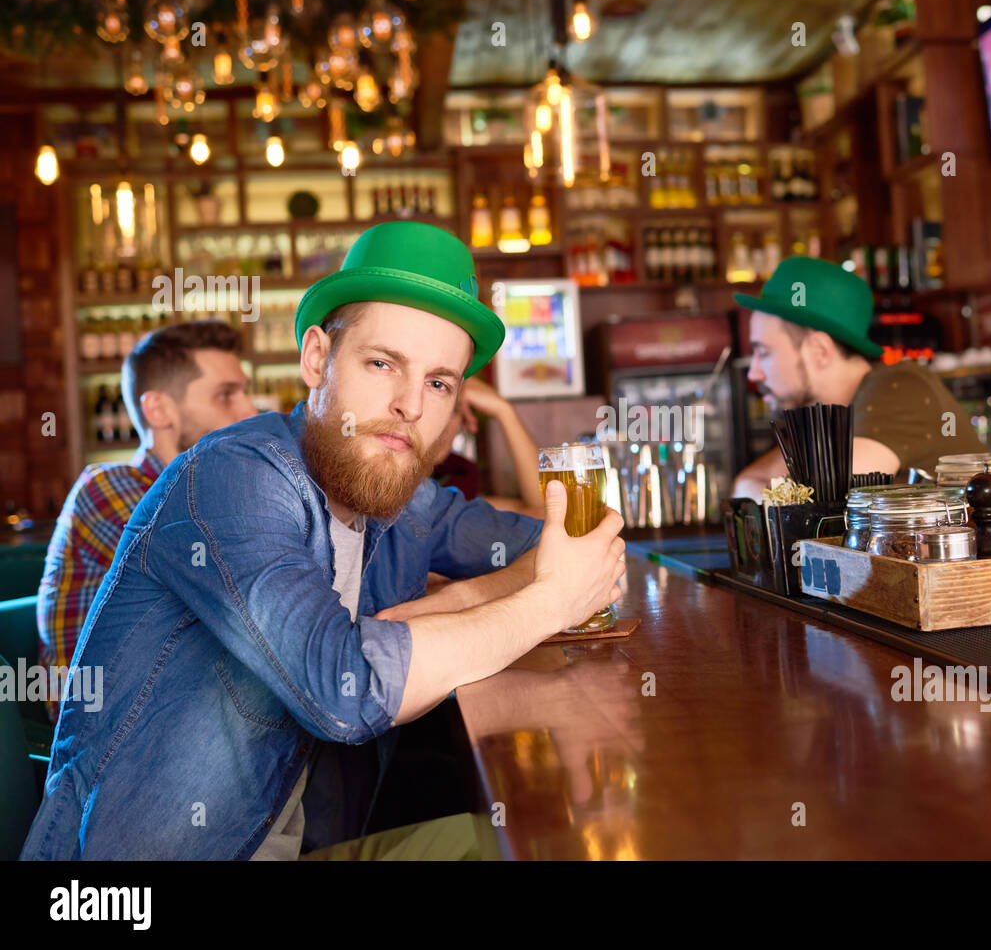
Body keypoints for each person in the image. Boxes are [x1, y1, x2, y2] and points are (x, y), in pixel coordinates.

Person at [21, 221, 625, 861]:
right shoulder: (237, 477)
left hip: (309, 844)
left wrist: (521, 587)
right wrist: (550, 601)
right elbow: (347, 688)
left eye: (439, 382)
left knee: (538, 839)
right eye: (382, 363)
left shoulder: (395, 491)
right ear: (316, 358)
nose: (410, 405)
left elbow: (556, 541)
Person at [35, 319, 258, 724]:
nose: (250, 411)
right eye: (226, 395)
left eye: (245, 391)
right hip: (104, 739)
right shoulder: (107, 489)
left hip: (178, 721)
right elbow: (239, 592)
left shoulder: (210, 497)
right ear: (158, 410)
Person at [731, 256, 983, 501]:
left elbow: (819, 504)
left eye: (763, 352)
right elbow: (747, 485)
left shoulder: (901, 387)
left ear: (819, 351)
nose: (754, 373)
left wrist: (761, 495)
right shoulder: (832, 421)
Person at [430, 375, 545, 515]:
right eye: (432, 405)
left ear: (466, 420)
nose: (444, 425)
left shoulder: (457, 473)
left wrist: (504, 410)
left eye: (455, 410)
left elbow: (544, 510)